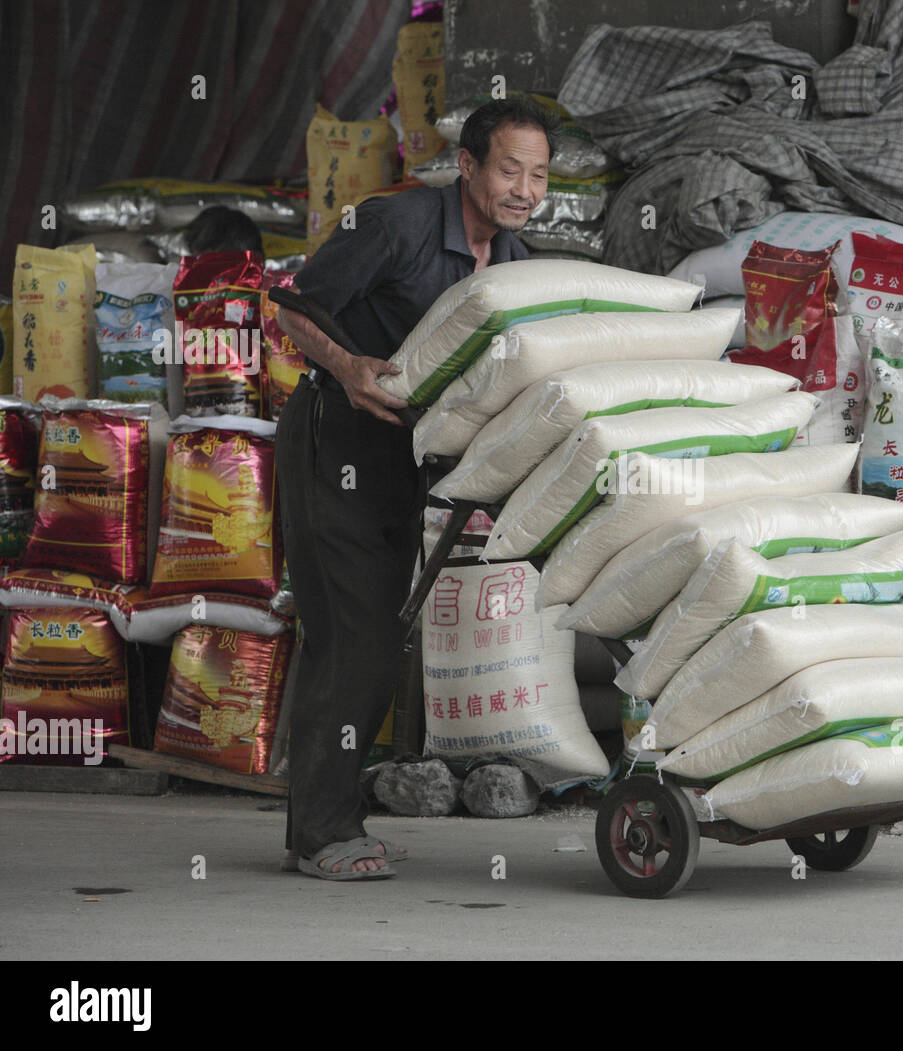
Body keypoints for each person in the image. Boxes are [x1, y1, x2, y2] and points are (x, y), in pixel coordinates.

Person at [274, 99, 555, 880]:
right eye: (509, 169)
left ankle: (329, 822)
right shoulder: (395, 224)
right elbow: (292, 305)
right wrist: (349, 365)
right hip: (336, 438)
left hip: (403, 461)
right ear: (467, 166)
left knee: (373, 638)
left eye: (538, 174)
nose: (524, 188)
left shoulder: (515, 261)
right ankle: (322, 835)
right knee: (354, 634)